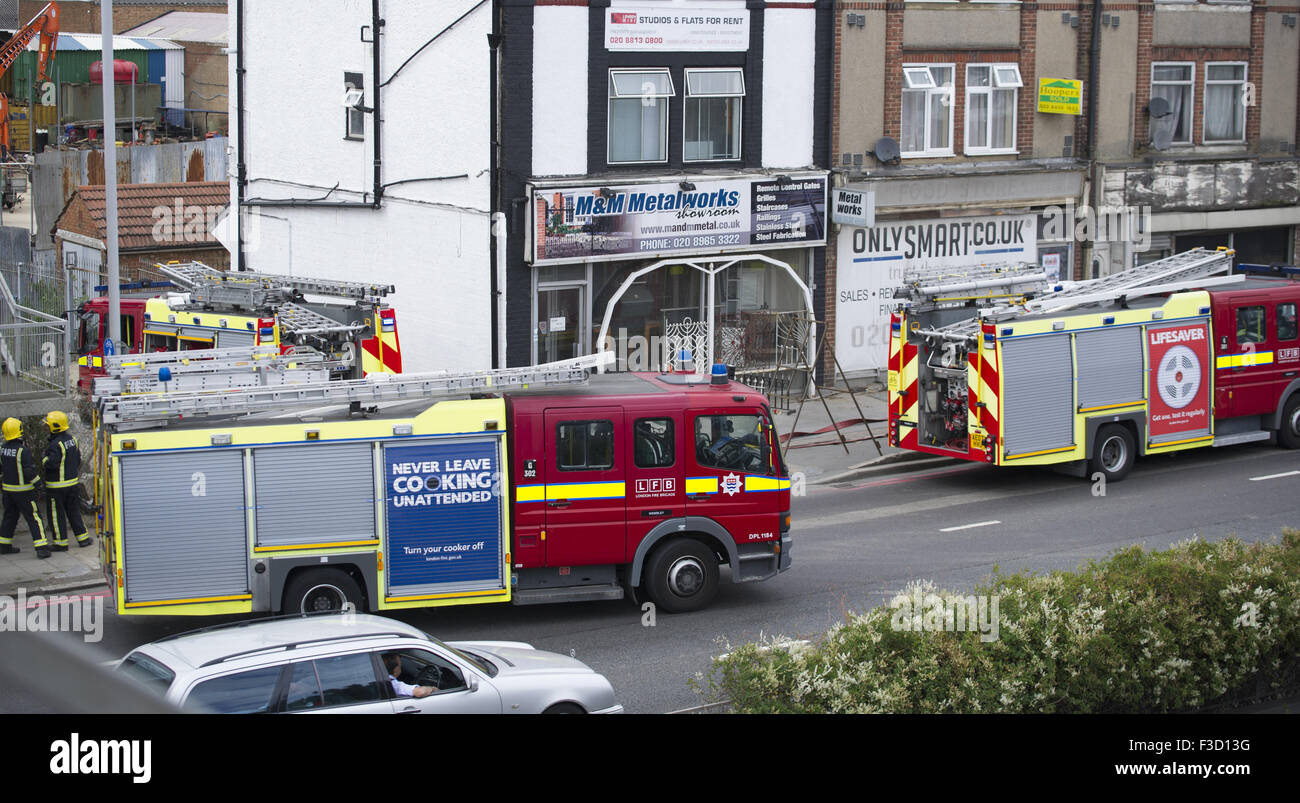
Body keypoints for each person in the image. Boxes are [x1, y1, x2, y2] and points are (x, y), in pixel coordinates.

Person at [1, 418, 51, 558]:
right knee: (34, 517)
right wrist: (39, 485)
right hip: (24, 492)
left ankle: (4, 545)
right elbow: (29, 471)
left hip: (8, 491)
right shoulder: (23, 451)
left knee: (9, 517)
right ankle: (41, 548)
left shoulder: (2, 449)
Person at [42, 411, 91, 551]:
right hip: (72, 484)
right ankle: (83, 538)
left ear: (55, 427)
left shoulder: (54, 445)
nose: (46, 428)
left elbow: (51, 464)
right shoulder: (72, 440)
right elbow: (78, 460)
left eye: (48, 426)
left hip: (56, 487)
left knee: (57, 515)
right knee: (74, 511)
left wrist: (44, 458)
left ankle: (60, 543)